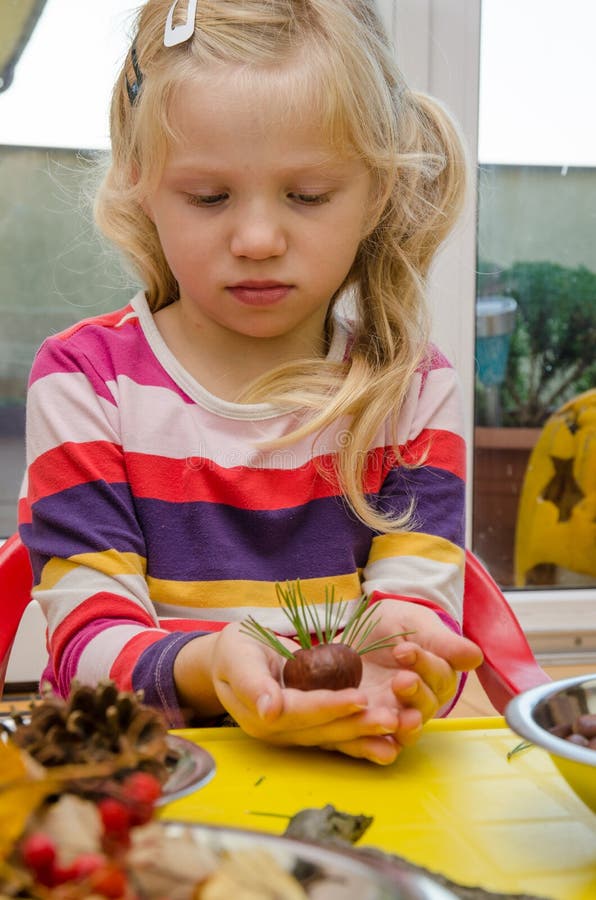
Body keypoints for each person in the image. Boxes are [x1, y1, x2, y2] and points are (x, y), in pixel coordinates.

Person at [18, 0, 483, 765]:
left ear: (377, 192)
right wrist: (209, 668)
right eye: (209, 198)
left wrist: (411, 660)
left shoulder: (412, 390)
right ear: (138, 181)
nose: (259, 240)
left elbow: (412, 612)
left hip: (360, 773)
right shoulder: (85, 383)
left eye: (307, 196)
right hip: (158, 792)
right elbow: (84, 648)